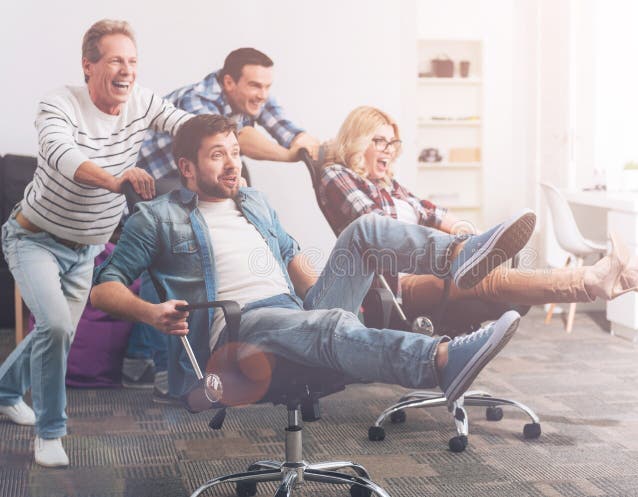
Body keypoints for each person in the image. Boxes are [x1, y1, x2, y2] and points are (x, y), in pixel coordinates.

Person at [91, 114, 537, 411]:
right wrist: (151, 312)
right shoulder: (157, 217)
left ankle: (461, 254)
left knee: (364, 232)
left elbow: (291, 260)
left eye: (235, 152)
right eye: (217, 155)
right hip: (236, 326)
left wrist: (331, 294)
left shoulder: (255, 201)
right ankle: (440, 359)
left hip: (291, 308)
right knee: (330, 328)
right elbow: (104, 287)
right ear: (186, 168)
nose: (233, 164)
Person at [0, 19, 191, 467]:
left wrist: (220, 141)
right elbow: (64, 156)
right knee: (57, 327)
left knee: (54, 331)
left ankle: (6, 391)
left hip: (86, 250)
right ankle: (50, 433)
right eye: (114, 61)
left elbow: (184, 124)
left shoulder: (140, 102)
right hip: (35, 239)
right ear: (88, 66)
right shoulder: (59, 104)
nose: (126, 71)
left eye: (132, 61)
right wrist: (115, 179)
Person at [318, 106, 638, 319]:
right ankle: (595, 279)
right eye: (380, 142)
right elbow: (379, 229)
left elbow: (437, 213)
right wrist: (455, 249)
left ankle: (619, 279)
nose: (390, 152)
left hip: (435, 268)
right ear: (359, 140)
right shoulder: (338, 175)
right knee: (492, 279)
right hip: (398, 284)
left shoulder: (392, 186)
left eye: (393, 144)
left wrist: (468, 237)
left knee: (493, 275)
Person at [123, 47, 320, 394]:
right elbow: (236, 140)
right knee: (171, 255)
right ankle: (150, 361)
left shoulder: (254, 93)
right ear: (229, 81)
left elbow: (283, 126)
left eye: (267, 86)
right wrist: (289, 155)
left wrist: (303, 141)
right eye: (255, 86)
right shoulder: (198, 98)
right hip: (161, 180)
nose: (262, 94)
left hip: (202, 182)